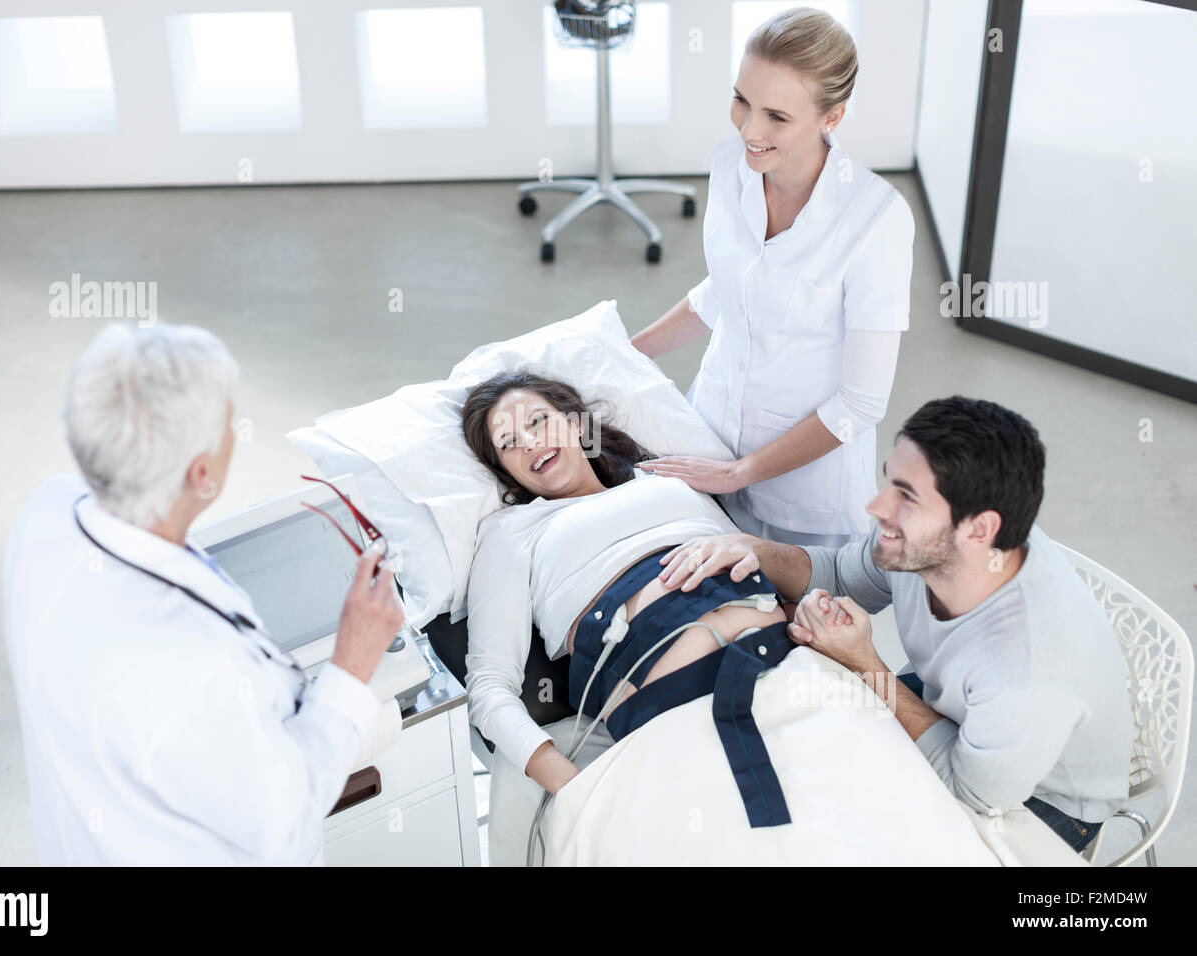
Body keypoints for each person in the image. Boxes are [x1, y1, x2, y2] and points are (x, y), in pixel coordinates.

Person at [3, 322, 404, 865]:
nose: (235, 428)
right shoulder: (191, 660)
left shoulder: (45, 515)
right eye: (227, 420)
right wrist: (352, 670)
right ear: (200, 471)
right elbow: (282, 826)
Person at [658, 396, 1132, 853]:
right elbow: (847, 575)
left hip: (1037, 804)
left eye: (907, 498)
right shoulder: (934, 547)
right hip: (953, 711)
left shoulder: (1030, 667)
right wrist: (757, 550)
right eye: (891, 482)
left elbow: (970, 791)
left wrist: (865, 663)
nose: (877, 507)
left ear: (979, 529)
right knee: (795, 746)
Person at [631, 8, 913, 548]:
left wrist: (742, 472)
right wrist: (626, 353)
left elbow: (861, 403)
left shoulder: (877, 219)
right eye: (742, 100)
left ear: (832, 117)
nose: (750, 130)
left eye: (777, 117)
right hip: (708, 441)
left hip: (804, 494)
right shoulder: (729, 164)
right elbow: (725, 291)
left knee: (793, 625)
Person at [459, 372, 789, 798]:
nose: (529, 442)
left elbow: (757, 562)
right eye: (508, 443)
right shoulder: (513, 531)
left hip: (784, 658)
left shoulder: (665, 481)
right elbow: (488, 686)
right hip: (676, 705)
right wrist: (572, 787)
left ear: (577, 424)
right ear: (505, 470)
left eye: (538, 421)